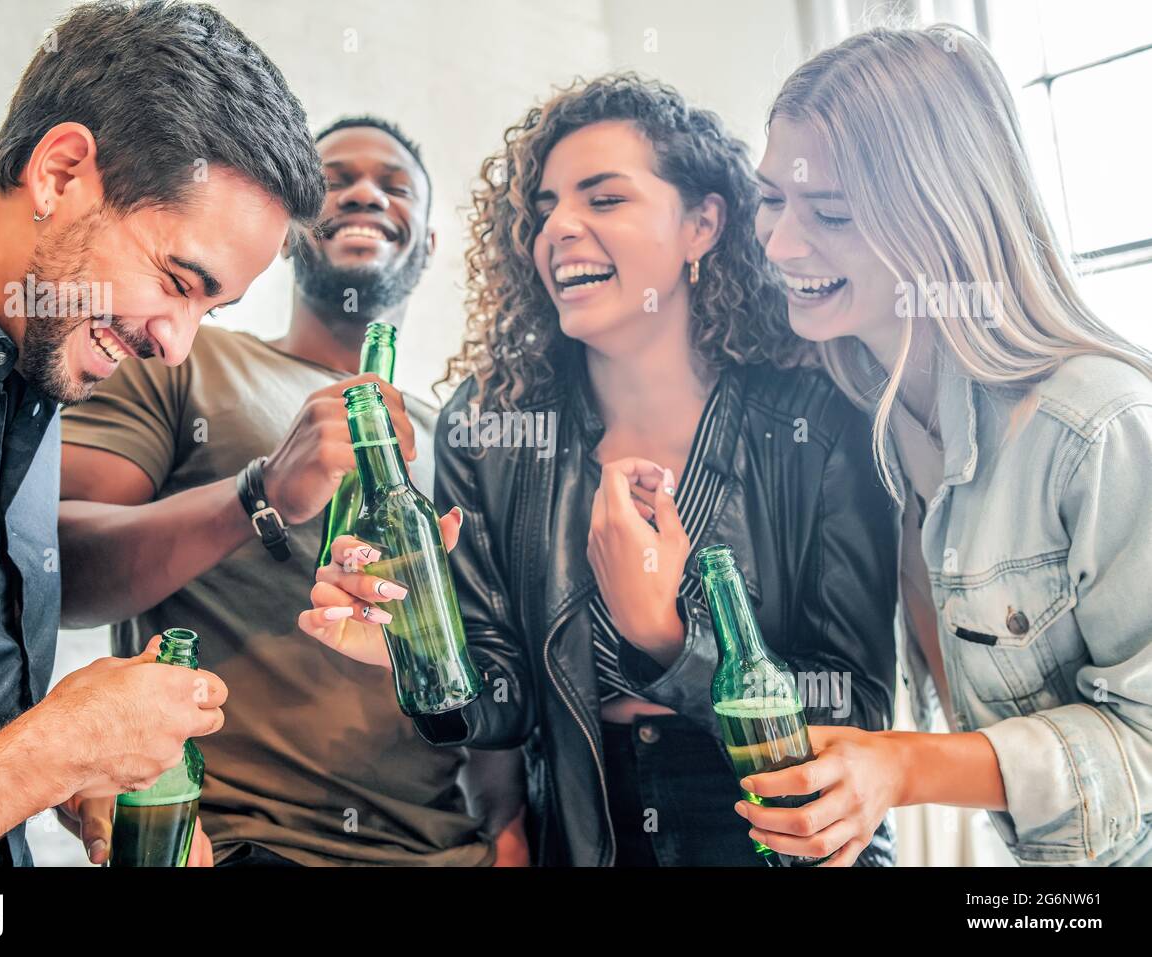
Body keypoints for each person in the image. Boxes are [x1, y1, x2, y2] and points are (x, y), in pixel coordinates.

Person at [300, 74, 901, 866]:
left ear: (703, 224)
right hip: (587, 832)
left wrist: (668, 639)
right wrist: (419, 653)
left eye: (604, 200)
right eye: (545, 208)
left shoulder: (819, 419)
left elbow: (853, 704)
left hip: (788, 831)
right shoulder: (490, 427)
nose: (559, 231)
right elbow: (503, 700)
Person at [0, 0, 323, 865]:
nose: (175, 343)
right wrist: (52, 752)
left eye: (211, 309)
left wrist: (82, 766)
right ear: (62, 173)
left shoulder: (33, 360)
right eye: (179, 280)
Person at [59, 116, 526, 866]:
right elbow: (56, 568)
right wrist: (260, 491)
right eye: (335, 181)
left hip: (449, 851)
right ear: (289, 230)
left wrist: (509, 836)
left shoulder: (463, 437)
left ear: (430, 244)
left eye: (396, 186)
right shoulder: (178, 353)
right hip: (244, 844)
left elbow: (490, 662)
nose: (367, 194)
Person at [745, 25, 1152, 866]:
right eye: (771, 200)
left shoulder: (1098, 426)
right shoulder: (856, 408)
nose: (781, 244)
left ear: (940, 215)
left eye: (830, 212)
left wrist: (903, 765)